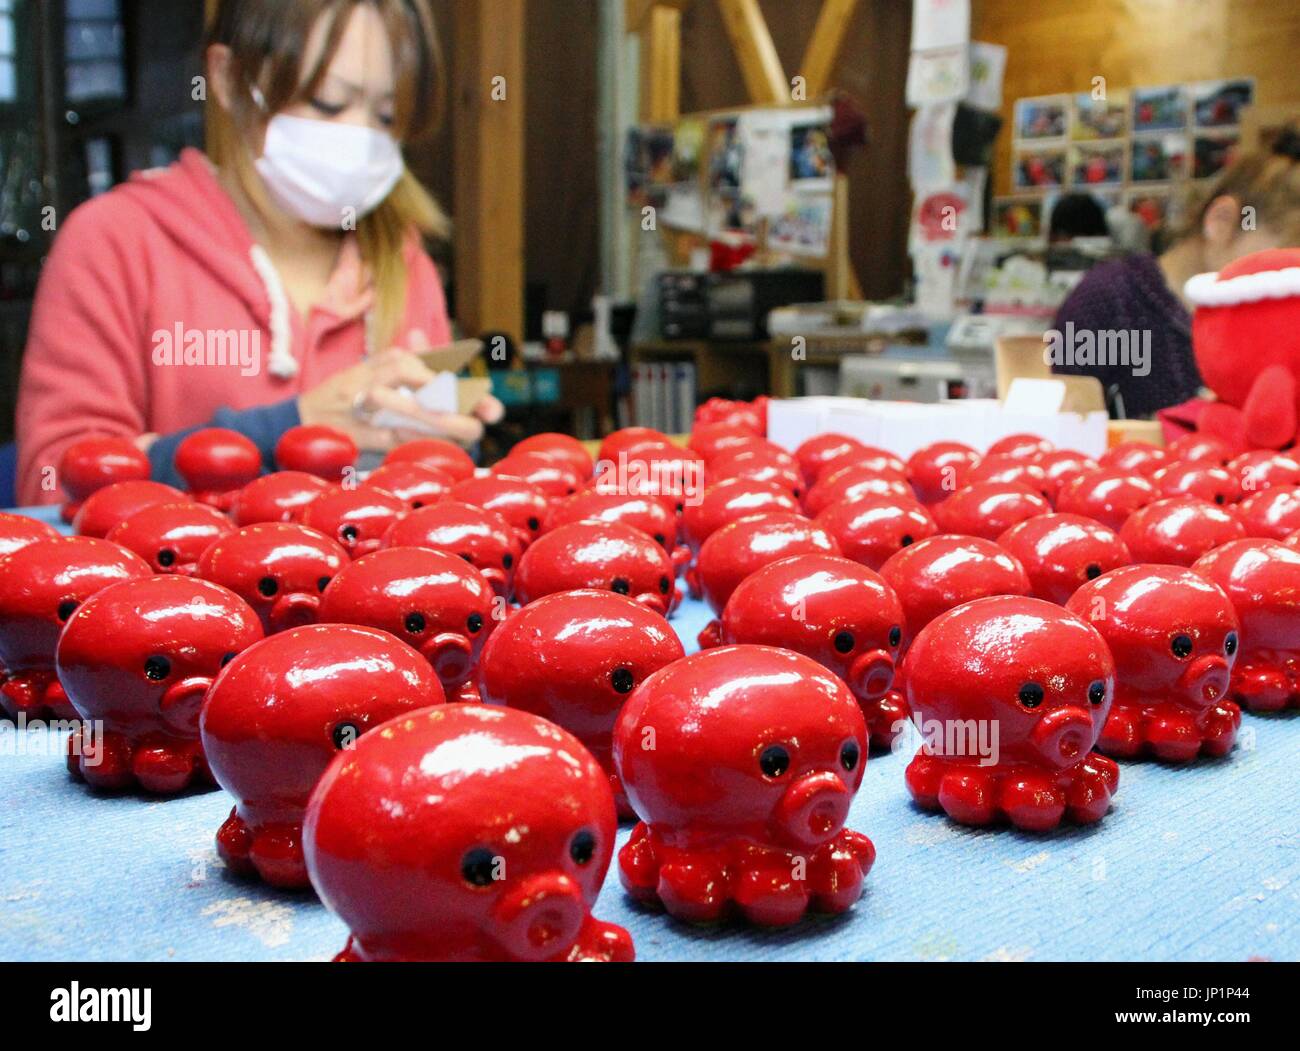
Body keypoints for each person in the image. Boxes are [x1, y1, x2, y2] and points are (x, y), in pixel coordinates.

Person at [15, 0, 502, 507]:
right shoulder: (114, 242)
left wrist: (443, 437)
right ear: (227, 78)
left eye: (386, 115)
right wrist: (291, 431)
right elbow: (53, 482)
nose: (360, 137)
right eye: (328, 102)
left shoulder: (402, 261)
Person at [1052, 124, 1300, 419]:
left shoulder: (1269, 317)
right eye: (1283, 257)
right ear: (1222, 221)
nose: (1286, 277)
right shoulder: (1109, 301)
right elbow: (1060, 424)